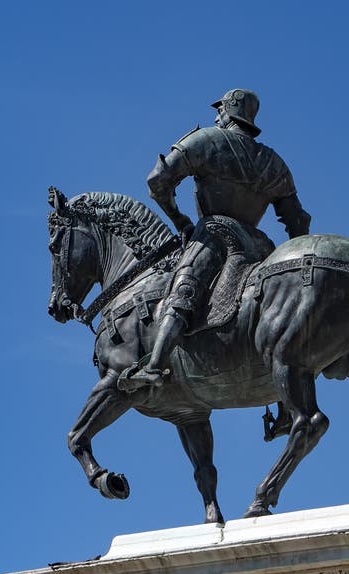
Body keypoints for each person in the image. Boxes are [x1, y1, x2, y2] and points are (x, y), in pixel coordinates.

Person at [121, 89, 311, 392]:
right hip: (260, 247)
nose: (216, 115)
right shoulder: (274, 163)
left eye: (220, 109)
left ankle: (154, 366)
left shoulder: (207, 139)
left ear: (230, 110)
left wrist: (179, 219)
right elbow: (298, 222)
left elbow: (157, 180)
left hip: (215, 234)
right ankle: (283, 402)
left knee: (184, 290)